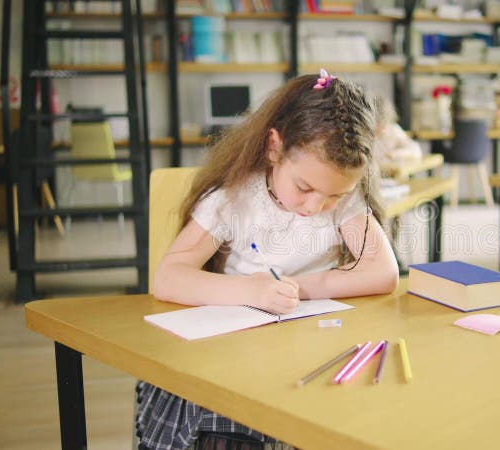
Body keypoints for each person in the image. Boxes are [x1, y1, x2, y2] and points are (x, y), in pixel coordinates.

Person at [137, 70, 400, 450]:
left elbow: (383, 271)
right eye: (304, 187)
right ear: (274, 147)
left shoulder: (345, 201)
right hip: (234, 358)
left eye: (333, 197)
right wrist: (252, 291)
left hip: (311, 351)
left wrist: (297, 289)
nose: (315, 206)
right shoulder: (233, 198)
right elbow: (169, 278)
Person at [372, 94, 422, 163]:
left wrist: (397, 153)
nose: (381, 125)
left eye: (384, 120)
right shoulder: (367, 135)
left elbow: (416, 151)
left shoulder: (394, 130)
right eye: (377, 121)